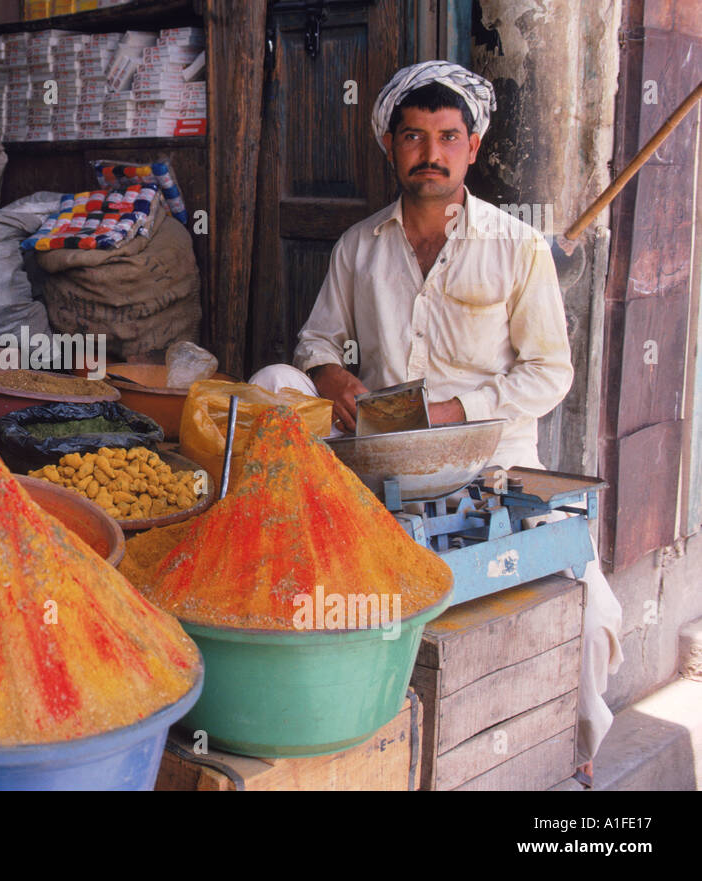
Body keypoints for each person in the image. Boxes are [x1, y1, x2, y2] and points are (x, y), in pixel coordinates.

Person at [251, 61, 622, 785]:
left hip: (494, 465)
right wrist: (331, 377)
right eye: (414, 136)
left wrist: (464, 407)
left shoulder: (516, 247)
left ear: (473, 147)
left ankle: (570, 754)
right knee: (274, 384)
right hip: (383, 458)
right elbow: (315, 342)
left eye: (448, 137)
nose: (432, 152)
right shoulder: (359, 247)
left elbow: (551, 372)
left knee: (592, 610)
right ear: (390, 147)